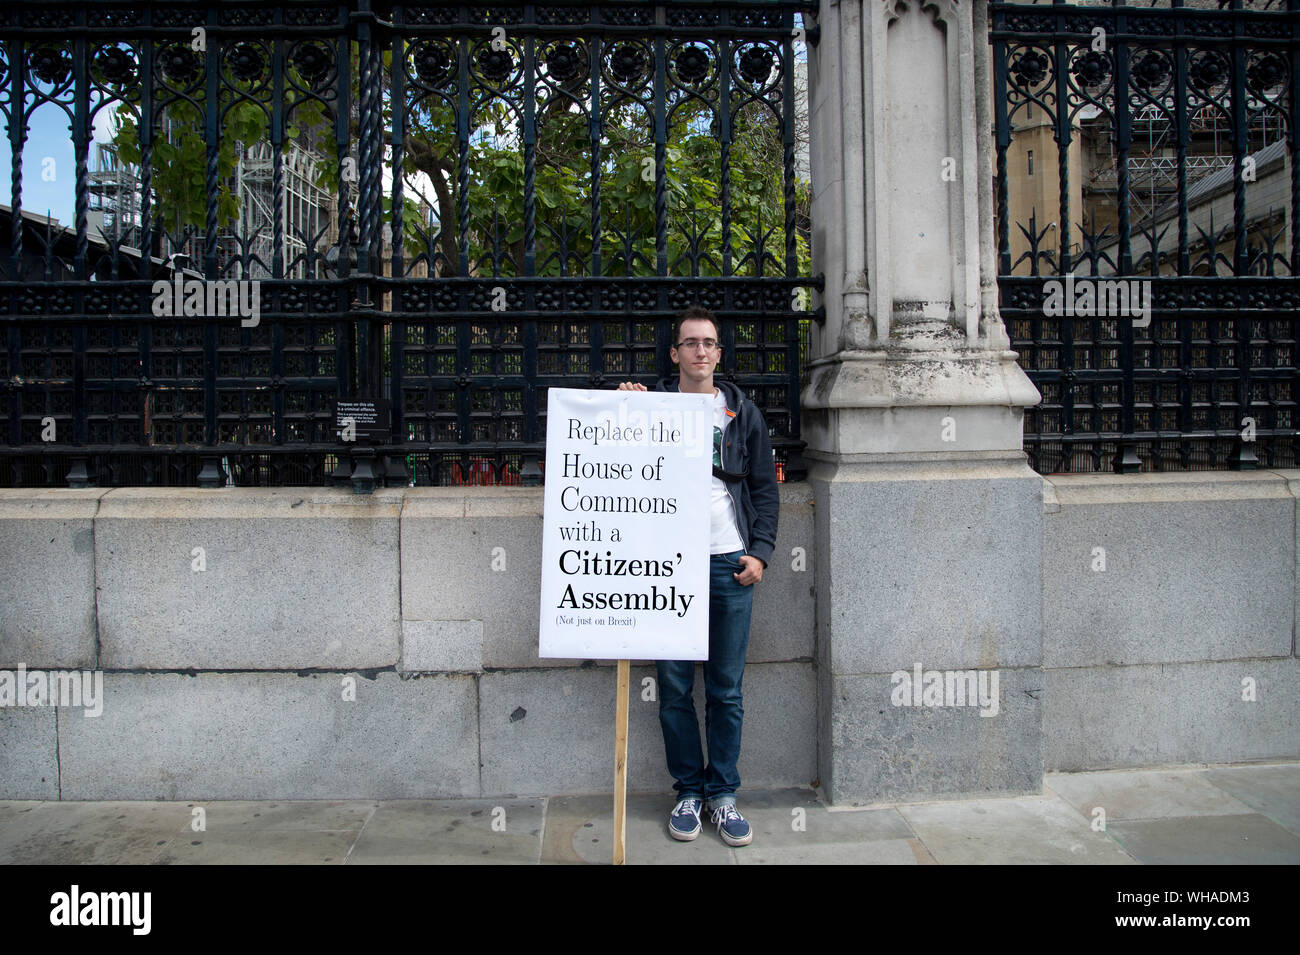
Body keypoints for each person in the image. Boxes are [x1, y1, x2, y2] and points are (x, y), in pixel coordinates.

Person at [618, 305, 779, 847]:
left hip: (730, 562)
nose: (701, 352)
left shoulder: (741, 411)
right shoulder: (653, 406)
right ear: (675, 353)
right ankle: (688, 789)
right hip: (670, 567)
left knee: (727, 690)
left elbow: (764, 486)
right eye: (690, 343)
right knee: (674, 687)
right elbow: (616, 469)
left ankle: (723, 796)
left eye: (709, 343)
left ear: (718, 353)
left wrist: (761, 552)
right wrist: (624, 412)